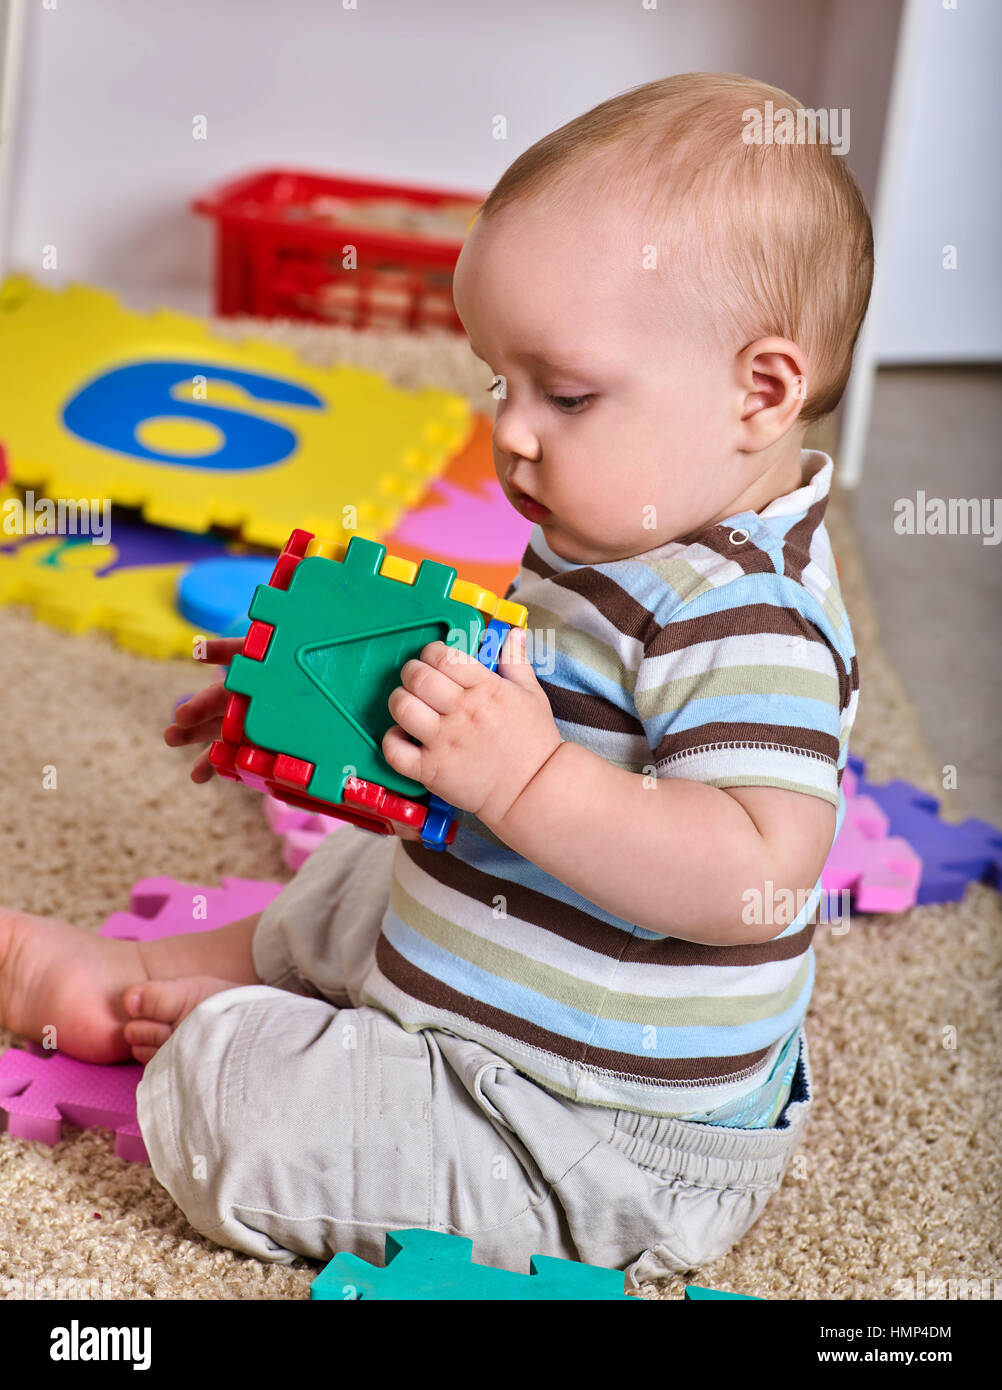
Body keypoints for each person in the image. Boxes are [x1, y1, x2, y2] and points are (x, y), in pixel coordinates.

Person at [0, 72, 868, 1289]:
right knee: (370, 869)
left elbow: (754, 881)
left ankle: (248, 1043)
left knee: (227, 1101)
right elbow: (522, 694)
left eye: (564, 392)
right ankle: (132, 977)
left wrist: (526, 778)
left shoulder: (754, 620)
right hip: (512, 974)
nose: (511, 431)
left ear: (761, 392)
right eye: (500, 381)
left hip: (589, 1134)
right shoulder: (621, 515)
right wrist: (307, 704)